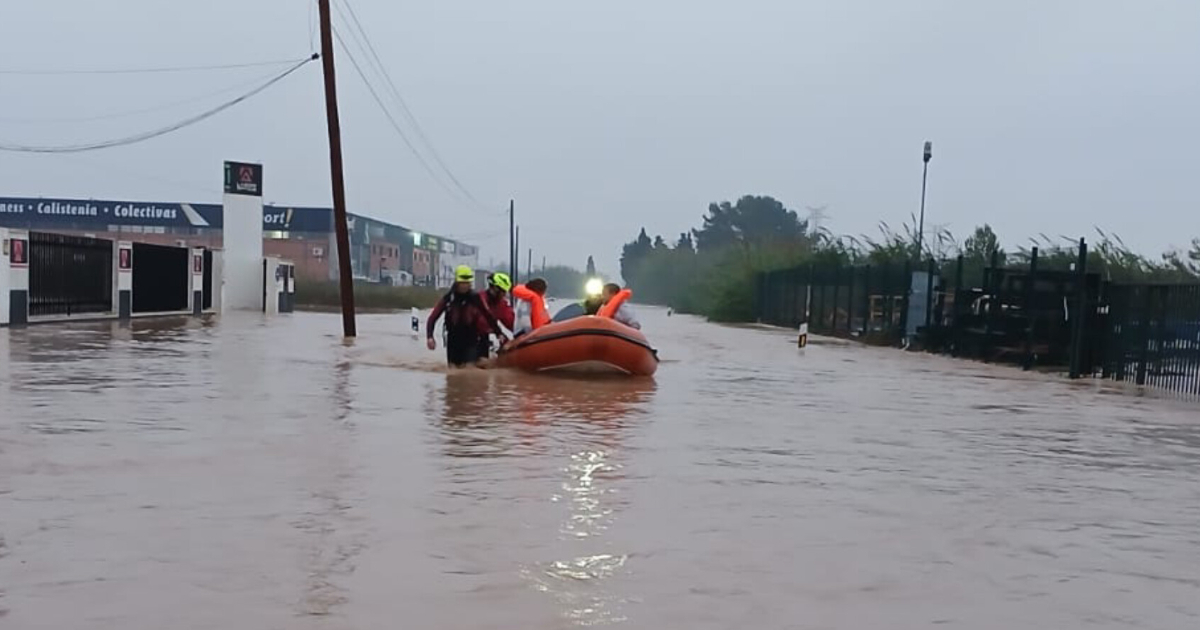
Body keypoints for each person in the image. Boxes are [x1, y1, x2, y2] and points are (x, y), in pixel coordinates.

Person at [426, 265, 508, 367]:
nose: (465, 285)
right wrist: (430, 337)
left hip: (471, 340)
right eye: (462, 283)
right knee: (453, 371)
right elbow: (433, 317)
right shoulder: (448, 298)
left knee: (469, 370)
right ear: (457, 282)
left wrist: (499, 333)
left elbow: (488, 316)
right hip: (453, 340)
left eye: (468, 283)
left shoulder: (475, 298)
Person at [477, 272, 515, 359]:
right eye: (503, 292)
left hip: (486, 338)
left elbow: (510, 321)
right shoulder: (478, 299)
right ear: (495, 288)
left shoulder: (501, 305)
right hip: (471, 338)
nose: (504, 295)